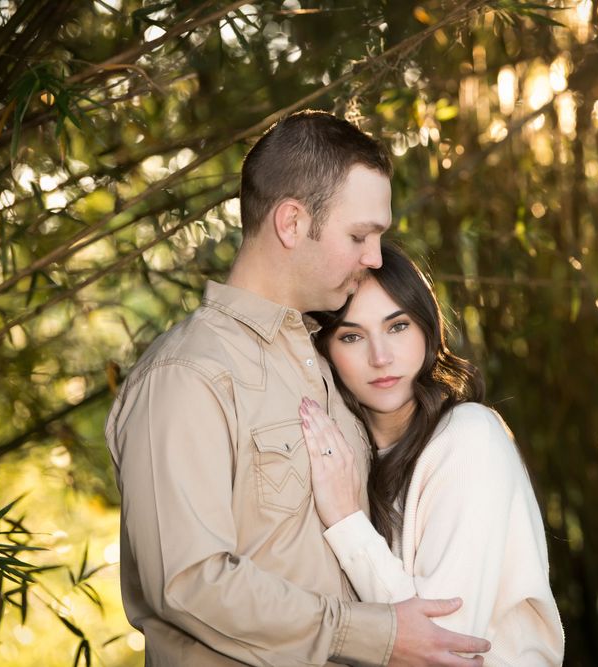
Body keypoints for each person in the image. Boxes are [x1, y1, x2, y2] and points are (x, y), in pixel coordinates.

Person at [105, 111, 491, 666]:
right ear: (290, 223)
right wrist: (376, 634)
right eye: (359, 235)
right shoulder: (187, 376)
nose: (375, 258)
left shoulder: (326, 362)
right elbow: (189, 584)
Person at [299, 243, 566, 666]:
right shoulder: (354, 456)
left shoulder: (469, 438)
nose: (380, 357)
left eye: (398, 326)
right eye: (352, 336)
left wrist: (348, 524)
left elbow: (446, 644)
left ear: (428, 330)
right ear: (326, 351)